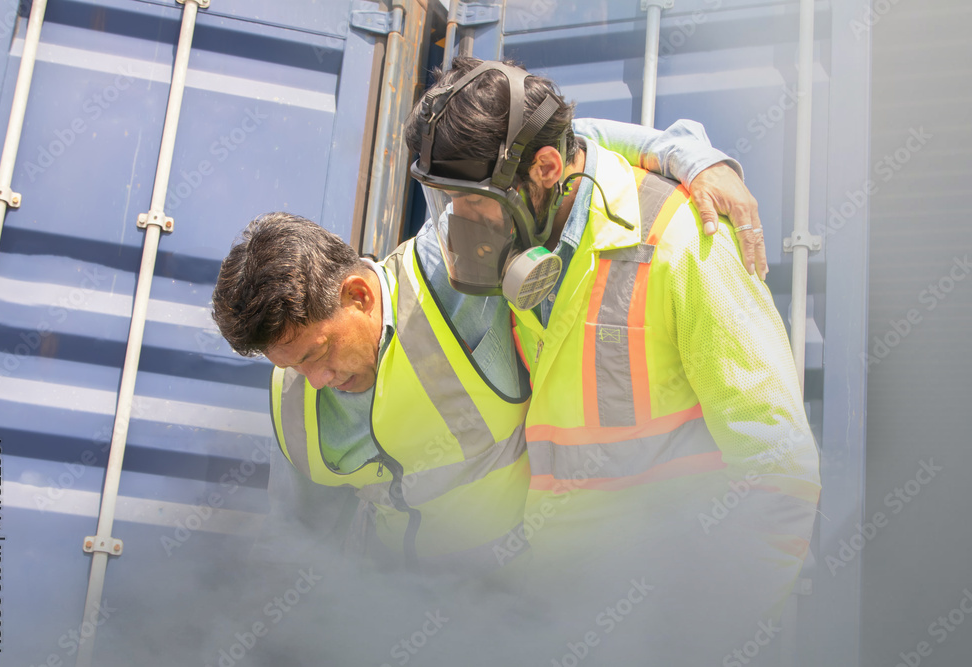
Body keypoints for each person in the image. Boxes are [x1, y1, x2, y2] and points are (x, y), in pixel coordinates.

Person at [211, 108, 763, 575]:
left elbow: (544, 150)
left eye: (318, 353)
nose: (316, 380)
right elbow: (297, 542)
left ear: (357, 294)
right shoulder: (292, 402)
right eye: (291, 365)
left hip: (515, 592)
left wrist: (689, 156)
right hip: (396, 606)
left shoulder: (451, 271)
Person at [404, 57, 821, 661]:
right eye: (444, 201)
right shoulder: (532, 239)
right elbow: (578, 136)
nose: (460, 223)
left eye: (470, 202)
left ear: (547, 170)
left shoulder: (684, 243)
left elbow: (778, 470)